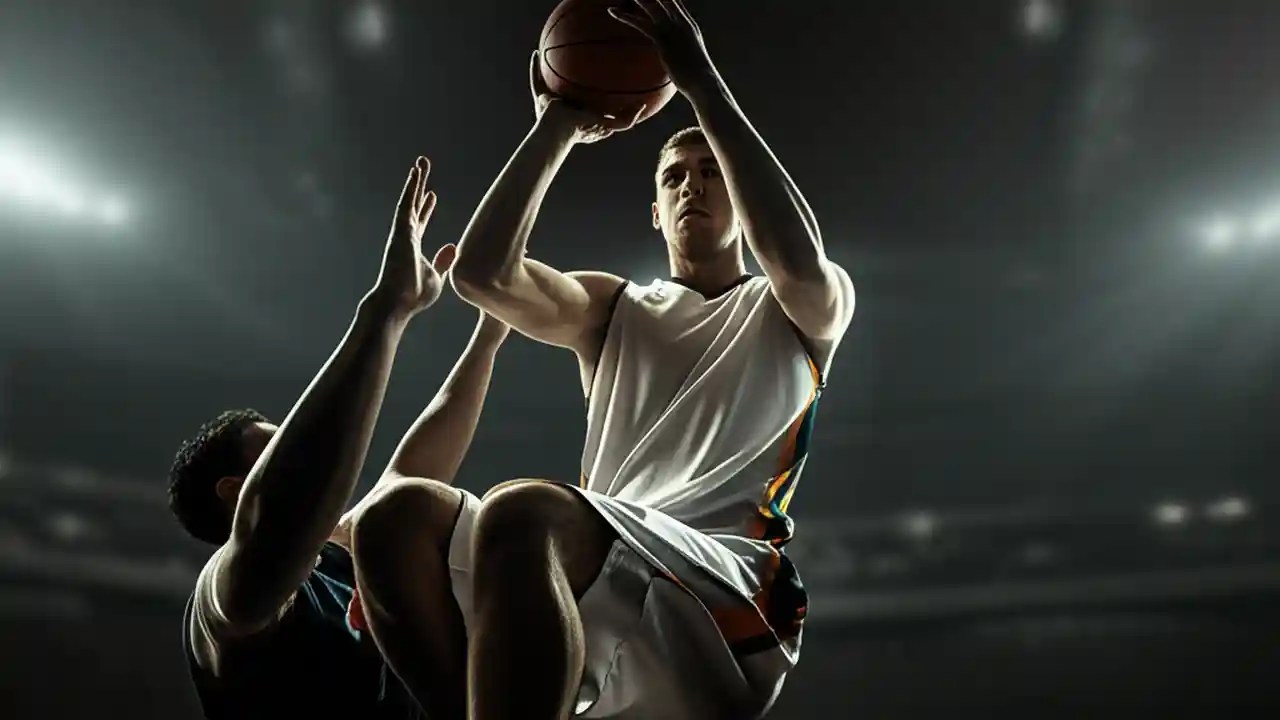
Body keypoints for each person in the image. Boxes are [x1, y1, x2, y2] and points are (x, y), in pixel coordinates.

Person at [349, 2, 854, 719]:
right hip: (592, 572)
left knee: (522, 510)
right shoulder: (612, 307)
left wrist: (700, 81)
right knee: (392, 518)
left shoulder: (803, 305)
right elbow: (482, 275)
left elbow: (798, 256)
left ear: (743, 197)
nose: (692, 186)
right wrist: (558, 125)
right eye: (675, 177)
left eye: (711, 172)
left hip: (728, 593)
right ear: (654, 210)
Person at [167, 156, 510, 720]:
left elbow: (415, 469)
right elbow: (279, 511)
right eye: (278, 446)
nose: (307, 454)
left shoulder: (337, 558)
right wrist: (385, 312)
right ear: (235, 492)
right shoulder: (222, 599)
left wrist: (491, 332)